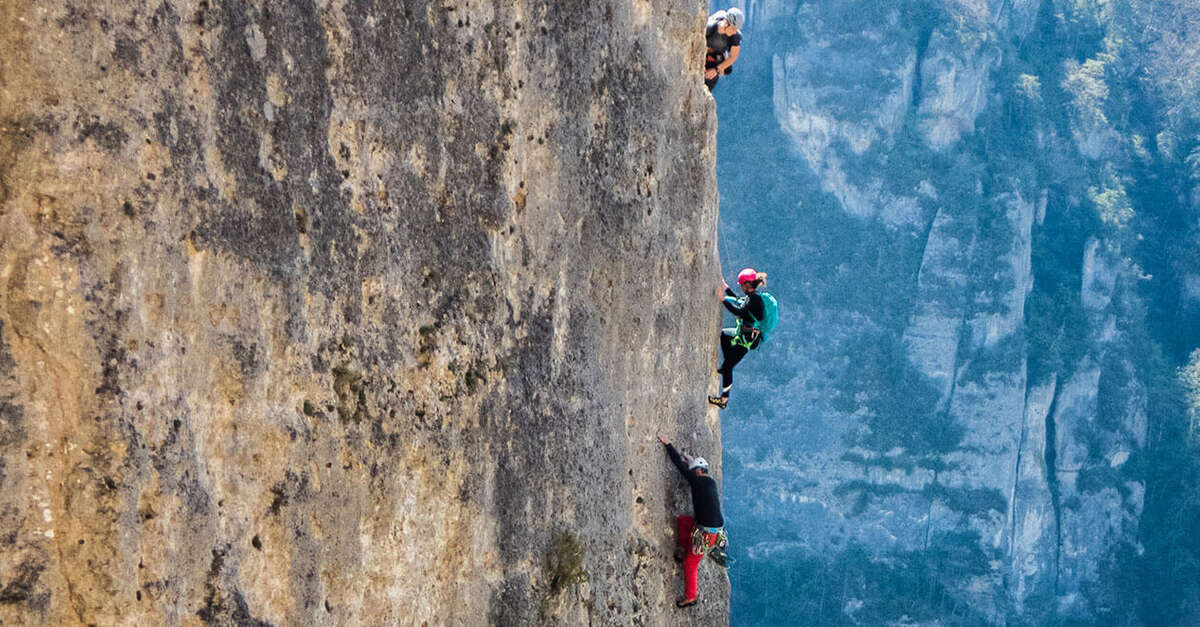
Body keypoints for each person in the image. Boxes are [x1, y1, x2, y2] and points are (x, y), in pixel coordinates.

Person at [657, 432, 726, 609]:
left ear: (698, 471)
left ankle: (691, 596)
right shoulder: (708, 482)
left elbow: (680, 466)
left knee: (691, 563)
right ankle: (686, 550)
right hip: (711, 529)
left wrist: (668, 444)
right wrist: (692, 462)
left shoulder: (698, 481)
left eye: (694, 471)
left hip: (707, 534)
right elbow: (690, 468)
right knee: (683, 522)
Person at [709, 267, 770, 409]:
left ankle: (723, 401)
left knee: (727, 368)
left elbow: (739, 311)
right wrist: (726, 288)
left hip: (747, 340)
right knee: (724, 334)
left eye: (742, 285)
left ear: (748, 284)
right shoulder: (752, 296)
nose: (741, 287)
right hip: (743, 334)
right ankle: (728, 360)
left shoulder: (755, 299)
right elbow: (740, 300)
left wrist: (723, 300)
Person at [704, 8, 745, 91]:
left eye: (736, 30)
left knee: (726, 70)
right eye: (733, 28)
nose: (734, 32)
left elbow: (733, 56)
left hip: (718, 53)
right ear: (726, 23)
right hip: (704, 50)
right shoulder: (710, 27)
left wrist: (716, 70)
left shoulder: (735, 36)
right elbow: (696, 43)